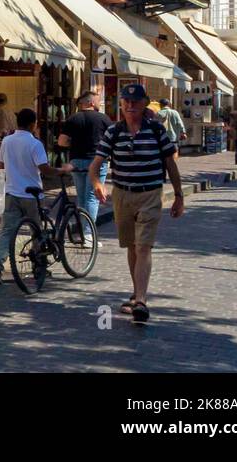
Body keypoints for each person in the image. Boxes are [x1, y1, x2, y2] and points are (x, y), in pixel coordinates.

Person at [89, 82, 185, 324]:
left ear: (144, 104)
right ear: (121, 104)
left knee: (144, 246)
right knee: (132, 246)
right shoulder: (114, 132)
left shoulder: (156, 130)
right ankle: (136, 294)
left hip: (150, 194)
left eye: (135, 102)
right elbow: (96, 163)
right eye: (126, 102)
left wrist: (178, 195)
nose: (130, 106)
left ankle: (141, 300)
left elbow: (170, 163)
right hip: (122, 195)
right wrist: (96, 183)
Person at [0, 108, 72, 283]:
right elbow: (44, 169)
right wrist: (61, 170)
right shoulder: (35, 144)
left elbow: (2, 164)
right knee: (37, 232)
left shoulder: (7, 141)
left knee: (7, 231)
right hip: (32, 195)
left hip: (12, 192)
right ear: (33, 124)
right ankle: (38, 264)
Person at [58, 90, 112, 224]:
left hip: (76, 161)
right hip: (97, 161)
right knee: (92, 197)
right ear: (92, 102)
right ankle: (89, 235)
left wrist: (74, 142)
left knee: (82, 197)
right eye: (98, 100)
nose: (99, 103)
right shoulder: (103, 118)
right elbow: (113, 140)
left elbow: (61, 141)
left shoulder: (73, 118)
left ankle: (83, 231)